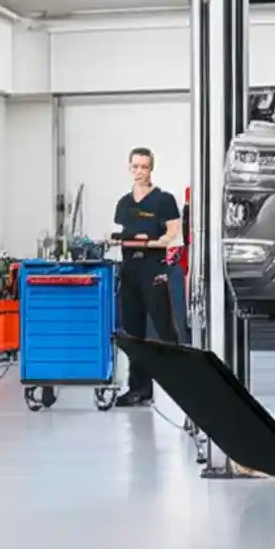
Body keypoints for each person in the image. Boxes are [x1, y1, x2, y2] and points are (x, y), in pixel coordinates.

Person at [113, 146, 183, 407]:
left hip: (153, 270)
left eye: (144, 167)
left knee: (165, 330)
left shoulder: (163, 200)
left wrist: (153, 241)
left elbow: (173, 234)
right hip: (129, 270)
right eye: (135, 166)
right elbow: (119, 233)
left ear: (151, 168)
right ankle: (139, 389)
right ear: (129, 168)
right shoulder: (124, 203)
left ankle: (184, 384)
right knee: (134, 332)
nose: (139, 171)